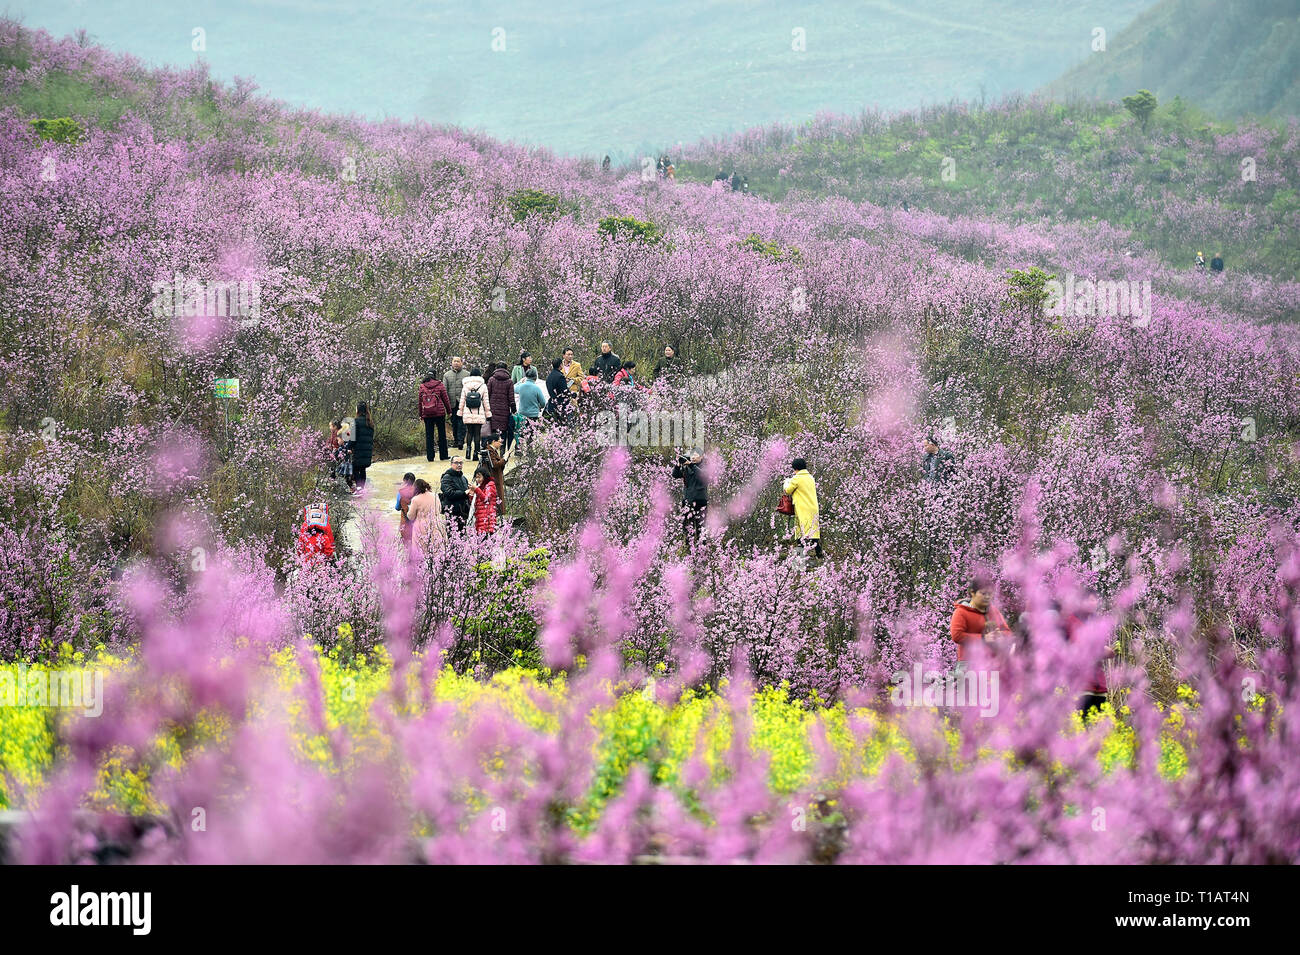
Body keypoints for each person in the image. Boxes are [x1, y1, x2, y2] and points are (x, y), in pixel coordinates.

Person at [949, 579, 1012, 674]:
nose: (987, 597)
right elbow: (957, 635)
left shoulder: (993, 611)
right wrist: (983, 638)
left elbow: (1008, 632)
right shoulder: (961, 612)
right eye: (983, 593)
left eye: (990, 594)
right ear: (972, 593)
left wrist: (1001, 635)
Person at [782, 458, 821, 559]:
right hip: (813, 507)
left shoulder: (797, 478)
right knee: (813, 530)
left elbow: (788, 490)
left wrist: (786, 482)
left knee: (800, 530)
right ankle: (819, 554)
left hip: (803, 508)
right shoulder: (810, 477)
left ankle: (800, 556)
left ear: (796, 468)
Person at [673, 449, 708, 547]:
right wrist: (678, 465)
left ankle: (702, 550)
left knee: (701, 527)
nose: (692, 457)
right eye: (691, 455)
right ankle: (689, 550)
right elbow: (675, 475)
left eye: (695, 455)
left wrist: (691, 465)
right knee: (687, 527)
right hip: (688, 501)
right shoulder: (687, 467)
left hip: (700, 501)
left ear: (701, 457)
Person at [458, 365, 490, 462]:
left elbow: (462, 400)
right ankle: (476, 453)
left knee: (469, 432)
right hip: (479, 412)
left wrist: (460, 411)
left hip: (468, 412)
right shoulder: (483, 386)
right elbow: (486, 401)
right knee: (477, 433)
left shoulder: (465, 385)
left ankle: (468, 450)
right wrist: (488, 413)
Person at [418, 373, 451, 462]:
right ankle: (443, 455)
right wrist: (449, 411)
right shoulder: (439, 384)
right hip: (439, 413)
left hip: (427, 414)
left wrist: (421, 414)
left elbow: (420, 401)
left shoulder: (422, 386)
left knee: (429, 435)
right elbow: (445, 399)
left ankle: (430, 457)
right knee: (442, 435)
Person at [405, 479, 444, 550]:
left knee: (421, 550)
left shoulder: (415, 499)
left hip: (421, 527)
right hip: (436, 524)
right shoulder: (435, 496)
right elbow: (439, 509)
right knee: (436, 549)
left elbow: (411, 516)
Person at [296, 501, 335, 567]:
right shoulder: (324, 537)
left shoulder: (304, 536)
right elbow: (329, 551)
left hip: (306, 564)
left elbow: (299, 549)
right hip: (320, 565)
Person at [487, 362, 517, 447]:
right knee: (503, 431)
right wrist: (513, 409)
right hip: (504, 410)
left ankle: (492, 449)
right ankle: (502, 451)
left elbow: (487, 394)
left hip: (493, 409)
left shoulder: (491, 379)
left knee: (493, 430)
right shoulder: (509, 381)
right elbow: (511, 398)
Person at [515, 367, 547, 446]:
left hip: (522, 413)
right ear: (535, 378)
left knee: (521, 432)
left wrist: (520, 382)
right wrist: (539, 406)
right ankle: (530, 451)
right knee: (531, 434)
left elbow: (514, 389)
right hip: (533, 415)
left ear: (526, 377)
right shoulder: (537, 388)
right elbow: (543, 403)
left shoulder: (521, 387)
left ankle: (519, 449)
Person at [439, 456, 472, 531]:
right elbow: (449, 493)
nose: (459, 465)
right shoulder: (446, 477)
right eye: (456, 463)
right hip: (452, 512)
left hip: (463, 511)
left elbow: (466, 492)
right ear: (451, 464)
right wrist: (464, 493)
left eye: (461, 463)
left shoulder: (463, 478)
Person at [443, 357, 469, 450]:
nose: (456, 363)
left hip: (463, 402)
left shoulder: (467, 374)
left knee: (462, 422)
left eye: (458, 361)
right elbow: (444, 390)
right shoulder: (447, 375)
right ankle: (455, 440)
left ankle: (461, 440)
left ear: (462, 363)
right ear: (451, 363)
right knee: (454, 422)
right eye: (454, 361)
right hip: (452, 402)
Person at [350, 402, 375, 492]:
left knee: (355, 468)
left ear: (358, 410)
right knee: (362, 469)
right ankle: (362, 489)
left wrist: (348, 447)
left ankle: (359, 488)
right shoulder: (370, 422)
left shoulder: (355, 422)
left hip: (359, 450)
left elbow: (353, 438)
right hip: (367, 451)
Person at [486, 436, 509, 516]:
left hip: (497, 477)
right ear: (493, 441)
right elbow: (494, 465)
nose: (500, 444)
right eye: (499, 441)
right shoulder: (489, 451)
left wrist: (504, 460)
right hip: (494, 478)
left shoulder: (493, 451)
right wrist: (504, 459)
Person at [471, 469, 499, 535]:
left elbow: (486, 499)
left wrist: (476, 489)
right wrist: (471, 494)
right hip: (480, 519)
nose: (477, 480)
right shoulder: (480, 487)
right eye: (476, 477)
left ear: (485, 476)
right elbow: (477, 502)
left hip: (487, 520)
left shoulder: (490, 485)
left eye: (479, 477)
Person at [545, 357, 571, 421]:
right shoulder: (560, 376)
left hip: (552, 403)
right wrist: (572, 394)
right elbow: (564, 390)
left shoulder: (549, 377)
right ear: (560, 365)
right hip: (561, 404)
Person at [396, 472, 418, 546]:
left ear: (404, 480)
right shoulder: (417, 491)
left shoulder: (400, 492)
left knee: (406, 543)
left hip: (405, 519)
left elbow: (397, 507)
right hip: (416, 519)